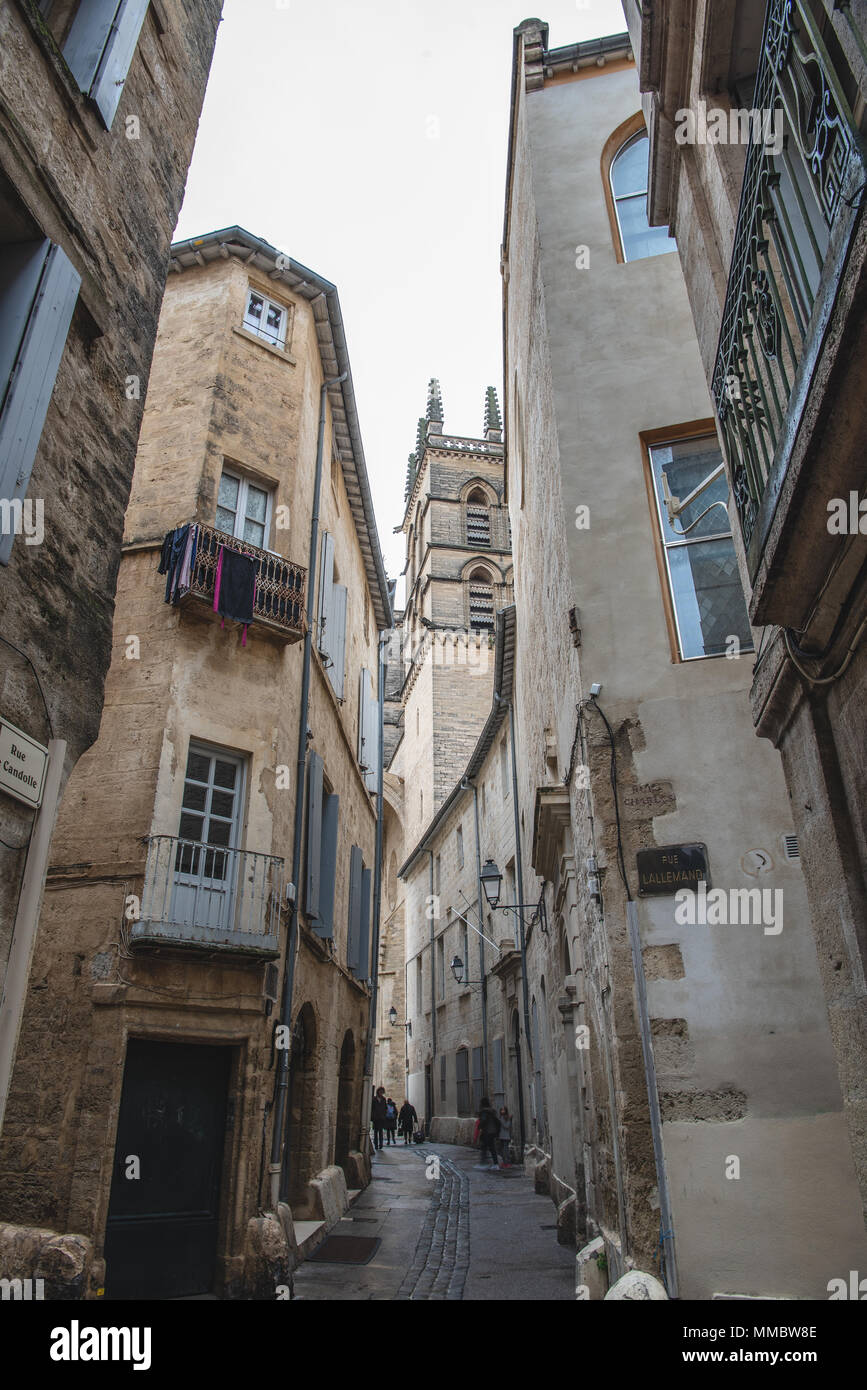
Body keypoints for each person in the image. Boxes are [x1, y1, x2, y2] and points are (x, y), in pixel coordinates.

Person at [477, 1096, 502, 1169]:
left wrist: (480, 1126)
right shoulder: (492, 1111)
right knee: (492, 1148)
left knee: (484, 1147)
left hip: (487, 1132)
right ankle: (495, 1164)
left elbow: (484, 1121)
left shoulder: (484, 1112)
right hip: (493, 1131)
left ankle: (483, 1163)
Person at [371, 1086, 388, 1151]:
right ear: (378, 1092)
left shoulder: (383, 1099)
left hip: (381, 1118)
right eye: (380, 1092)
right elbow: (372, 1108)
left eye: (382, 1092)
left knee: (380, 1131)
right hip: (376, 1118)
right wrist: (373, 1116)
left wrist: (384, 1114)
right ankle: (376, 1144)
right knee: (376, 1131)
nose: (381, 1093)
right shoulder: (374, 1099)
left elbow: (385, 1107)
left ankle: (380, 1144)